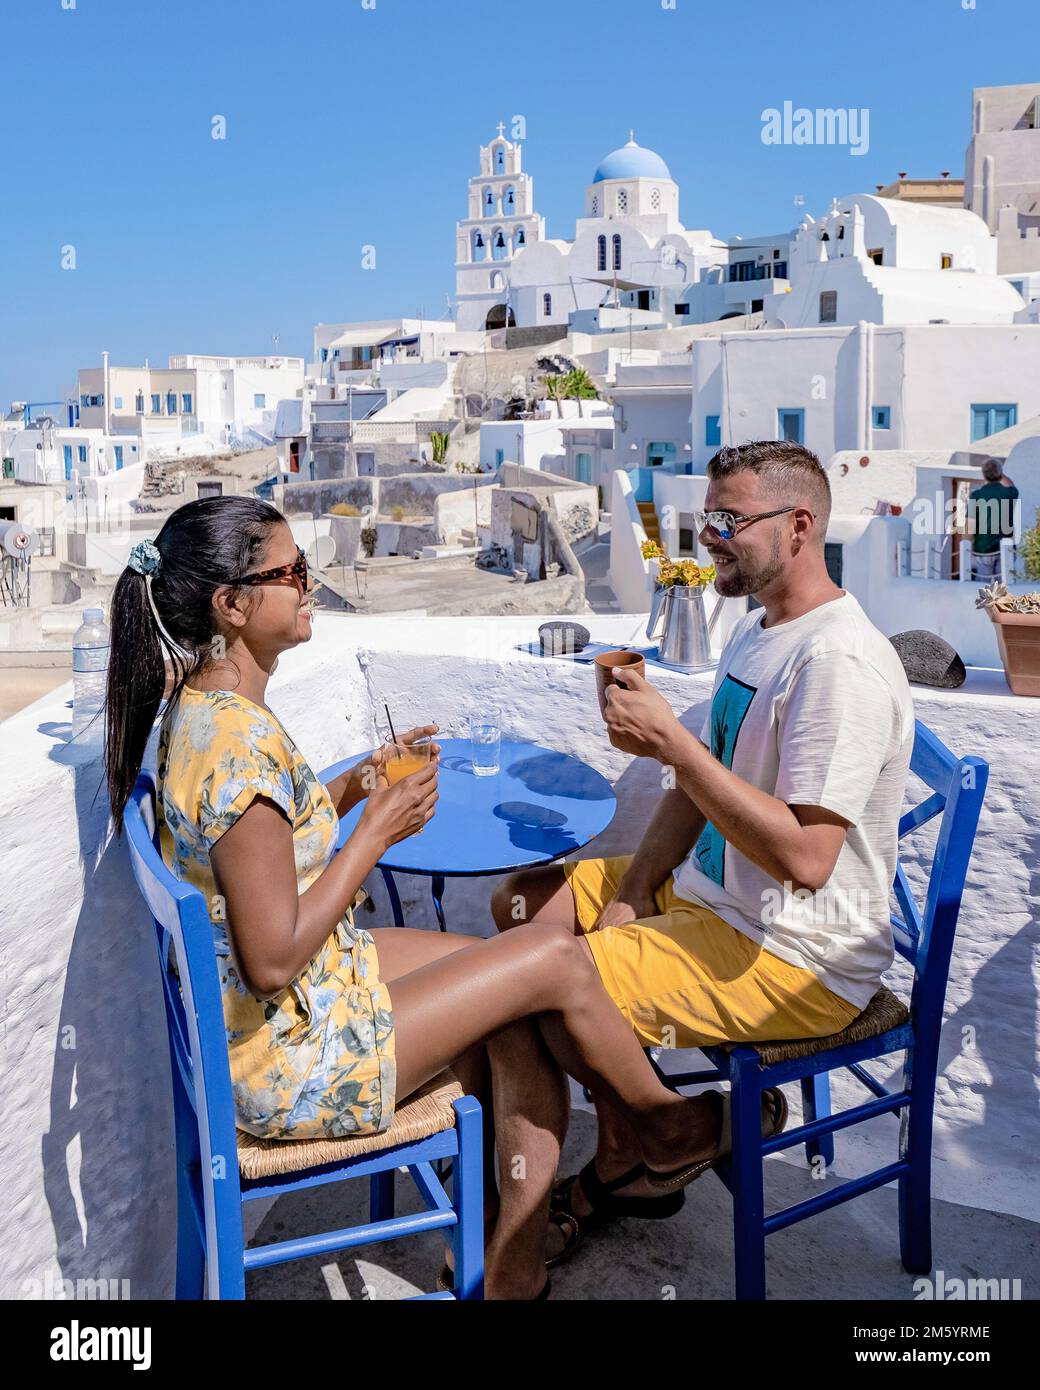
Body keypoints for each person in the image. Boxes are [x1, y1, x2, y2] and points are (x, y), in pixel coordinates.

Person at [104, 495, 746, 1300]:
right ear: (230, 605)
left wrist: (358, 783)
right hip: (290, 1053)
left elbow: (268, 843)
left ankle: (506, 1237)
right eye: (292, 572)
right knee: (548, 958)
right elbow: (271, 959)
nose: (310, 585)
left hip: (283, 1011)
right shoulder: (237, 748)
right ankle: (658, 1132)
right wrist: (375, 834)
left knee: (508, 986)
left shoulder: (205, 712)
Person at [494, 440, 915, 1259]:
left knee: (539, 992)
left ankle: (658, 1137)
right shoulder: (764, 630)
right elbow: (698, 787)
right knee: (519, 902)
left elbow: (807, 861)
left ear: (800, 526)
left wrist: (673, 750)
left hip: (797, 952)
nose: (709, 537)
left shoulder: (838, 663)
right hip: (714, 900)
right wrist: (636, 885)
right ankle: (650, 1137)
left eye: (729, 521)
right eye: (705, 518)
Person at [966, 457, 1018, 581]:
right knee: (1004, 587)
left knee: (983, 589)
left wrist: (967, 544)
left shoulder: (976, 496)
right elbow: (1010, 484)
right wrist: (998, 473)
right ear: (1000, 473)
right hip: (1005, 549)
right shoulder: (1009, 493)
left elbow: (970, 526)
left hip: (983, 549)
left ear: (984, 475)